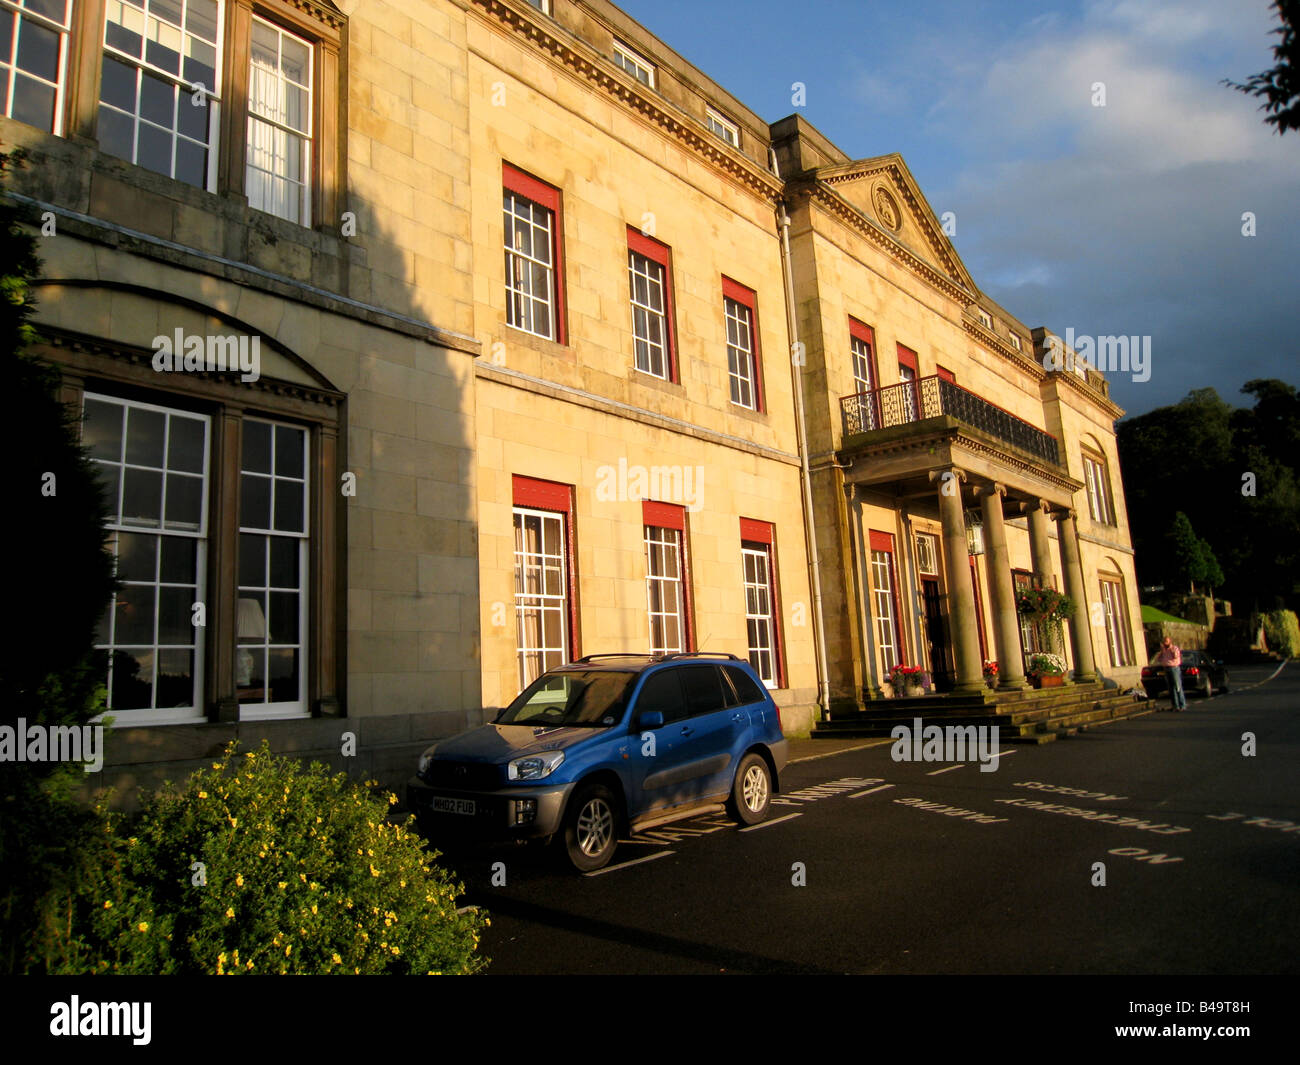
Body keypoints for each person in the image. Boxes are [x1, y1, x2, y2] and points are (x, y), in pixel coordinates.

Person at [1155, 636, 1185, 711]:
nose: (1165, 643)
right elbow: (1159, 659)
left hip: (1174, 668)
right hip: (1166, 668)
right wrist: (1161, 652)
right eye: (1164, 641)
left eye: (1166, 641)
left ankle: (1182, 705)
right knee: (1171, 688)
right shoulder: (1163, 650)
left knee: (1177, 686)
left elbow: (1176, 656)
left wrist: (1170, 649)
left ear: (1170, 642)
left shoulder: (1174, 648)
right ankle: (1175, 705)